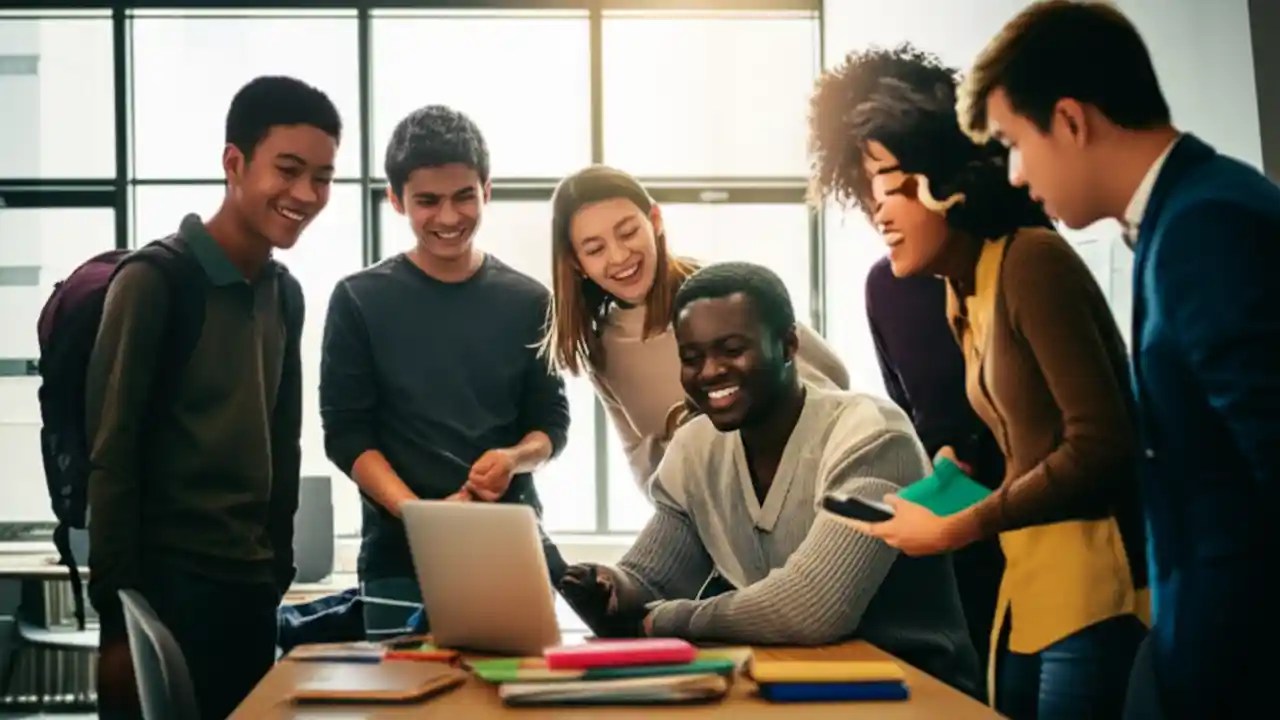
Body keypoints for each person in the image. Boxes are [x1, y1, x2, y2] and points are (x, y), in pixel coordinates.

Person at [956, 2, 1280, 717]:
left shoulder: (1206, 225)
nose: (1012, 174)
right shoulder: (1180, 217)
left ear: (1071, 121)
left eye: (1014, 141)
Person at [809, 45, 1148, 719]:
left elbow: (1100, 445)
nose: (880, 212)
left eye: (896, 186)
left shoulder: (1030, 260)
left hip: (1089, 581)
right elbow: (1018, 438)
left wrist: (961, 525)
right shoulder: (959, 290)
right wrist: (953, 469)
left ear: (945, 175)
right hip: (1027, 582)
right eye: (873, 191)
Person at [558, 261, 981, 697]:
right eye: (692, 357)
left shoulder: (871, 436)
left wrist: (665, 619)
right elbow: (649, 581)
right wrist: (605, 587)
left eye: (732, 349)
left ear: (788, 345)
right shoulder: (695, 448)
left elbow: (813, 608)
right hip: (792, 684)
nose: (709, 371)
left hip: (914, 692)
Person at [85, 75, 340, 719]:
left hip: (249, 591)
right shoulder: (155, 281)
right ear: (234, 162)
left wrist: (275, 568)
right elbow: (112, 458)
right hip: (166, 591)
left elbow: (285, 441)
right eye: (288, 170)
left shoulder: (285, 293)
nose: (307, 194)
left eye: (323, 176)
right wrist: (116, 628)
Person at [320, 105, 571, 639]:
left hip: (508, 542)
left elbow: (552, 425)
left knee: (514, 698)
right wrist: (423, 517)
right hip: (397, 554)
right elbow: (346, 436)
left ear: (487, 190)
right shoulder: (358, 300)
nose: (449, 217)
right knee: (406, 705)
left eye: (464, 197)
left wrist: (512, 458)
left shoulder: (529, 301)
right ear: (396, 200)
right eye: (427, 201)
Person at [540, 165, 849, 490]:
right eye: (595, 249)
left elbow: (832, 378)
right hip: (711, 519)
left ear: (655, 221)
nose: (618, 256)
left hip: (805, 491)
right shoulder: (599, 349)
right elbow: (646, 470)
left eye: (628, 232)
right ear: (577, 263)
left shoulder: (719, 296)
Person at [864, 257, 1006, 699]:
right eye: (874, 200)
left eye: (899, 190)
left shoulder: (1015, 264)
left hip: (1030, 516)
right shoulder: (887, 285)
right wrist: (936, 450)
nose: (884, 214)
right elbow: (907, 402)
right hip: (951, 512)